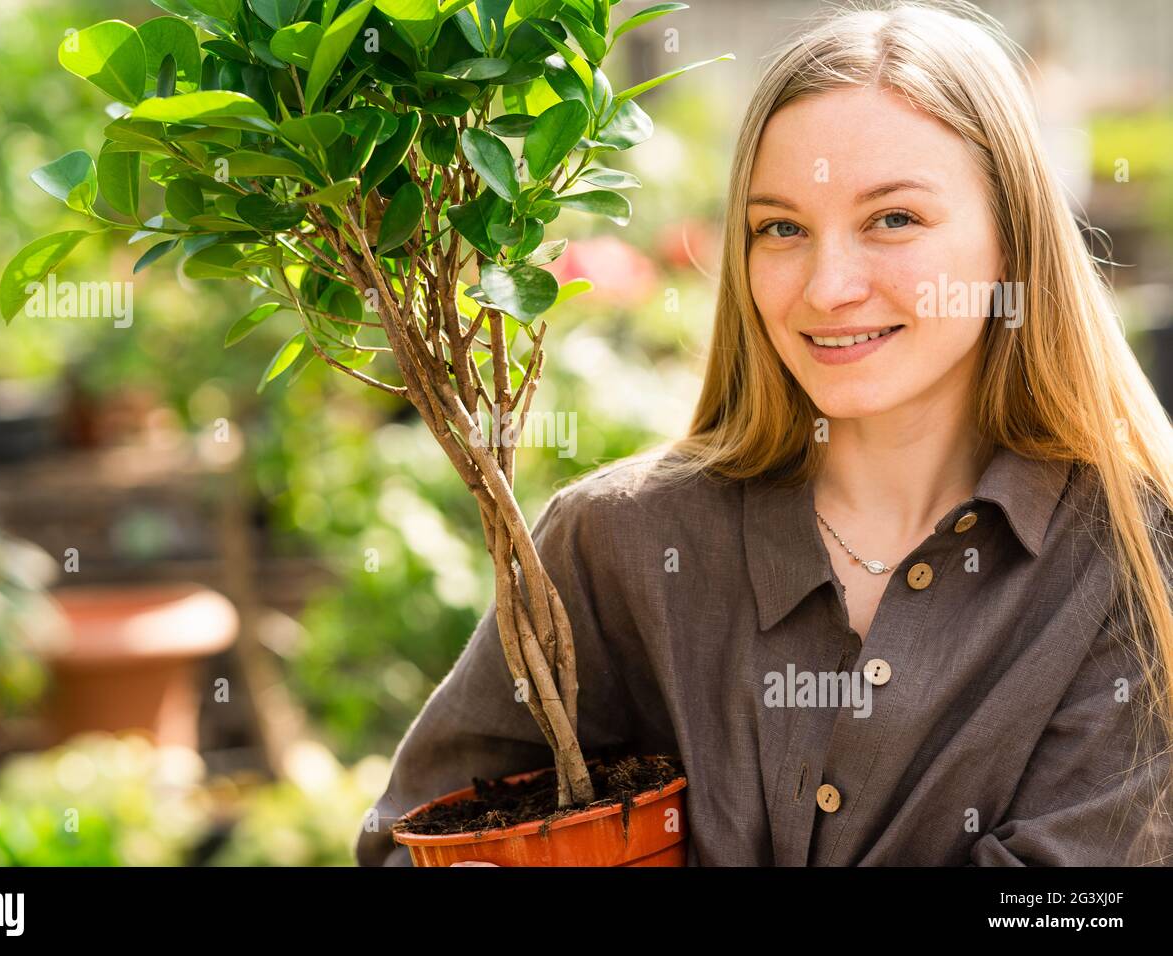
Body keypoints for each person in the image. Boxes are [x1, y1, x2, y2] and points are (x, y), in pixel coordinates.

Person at [355, 0, 1173, 866]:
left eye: (893, 219)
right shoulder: (612, 545)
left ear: (1012, 239)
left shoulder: (1131, 554)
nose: (827, 288)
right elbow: (409, 846)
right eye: (780, 228)